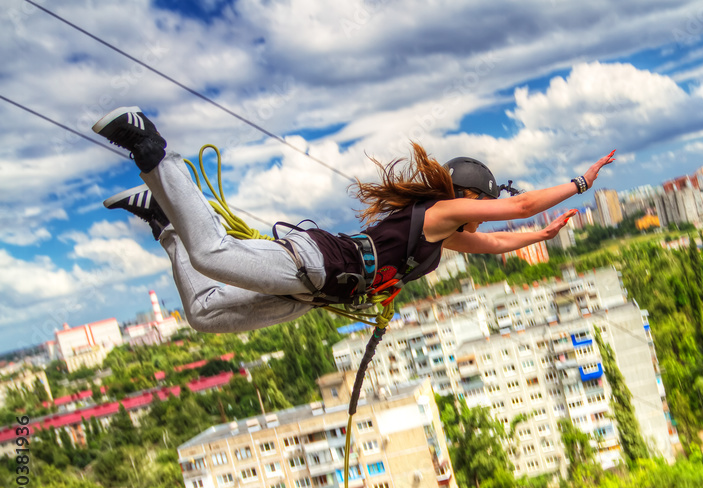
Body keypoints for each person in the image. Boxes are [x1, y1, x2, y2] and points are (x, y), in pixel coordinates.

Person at [91, 106, 615, 333]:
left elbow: (500, 242)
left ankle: (164, 221)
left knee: (205, 315)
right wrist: (581, 184)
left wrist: (542, 236)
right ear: (469, 197)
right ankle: (151, 146)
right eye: (483, 204)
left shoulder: (441, 240)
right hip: (322, 263)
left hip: (317, 291)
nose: (482, 218)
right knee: (212, 254)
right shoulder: (442, 213)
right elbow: (518, 208)